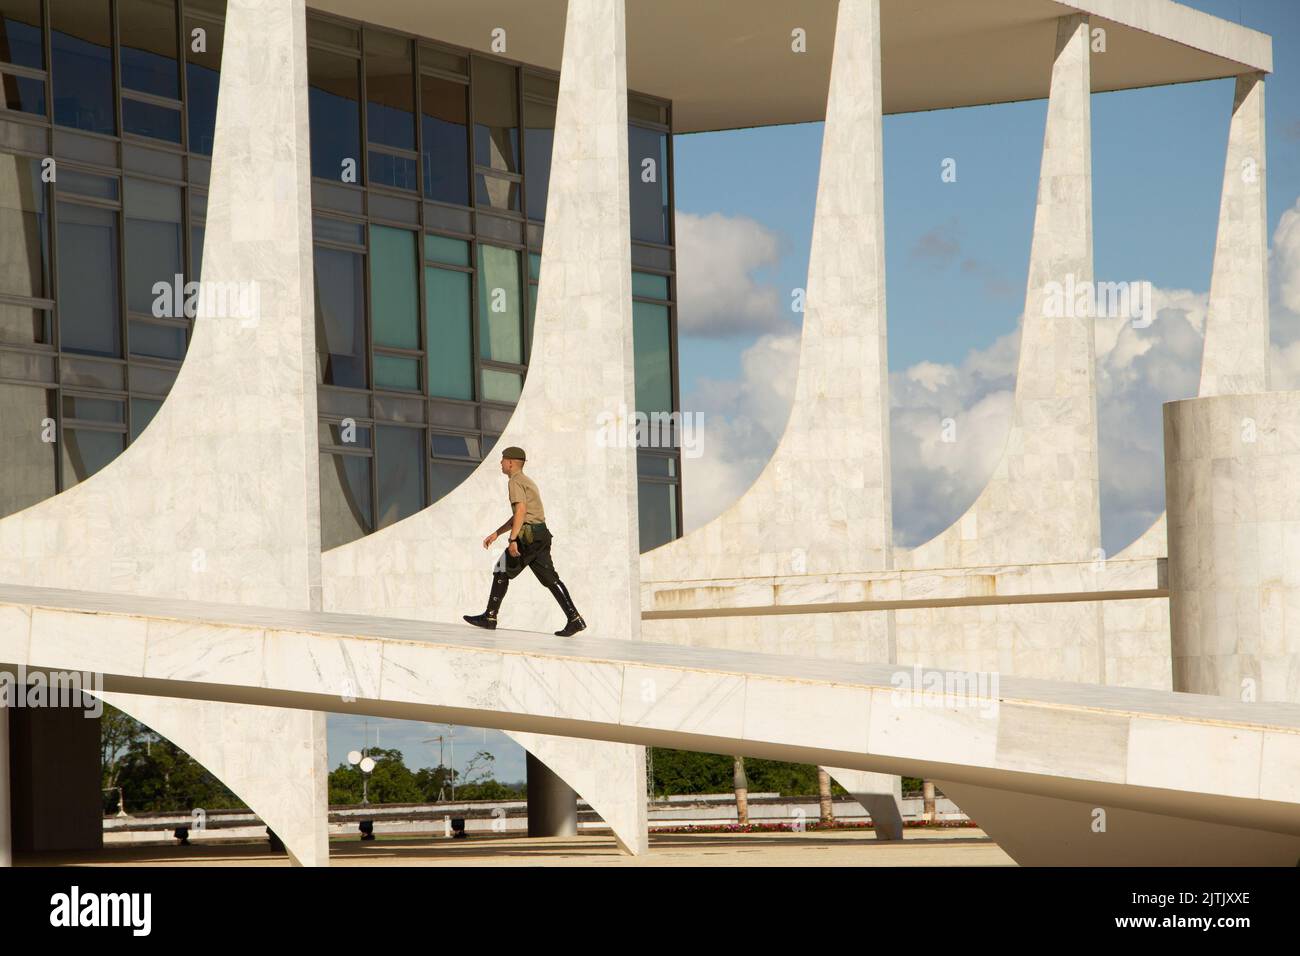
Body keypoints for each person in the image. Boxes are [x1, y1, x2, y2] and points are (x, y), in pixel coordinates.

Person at [463, 446, 587, 636]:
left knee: (501, 570)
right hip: (541, 535)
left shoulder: (514, 482)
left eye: (503, 459)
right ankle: (575, 619)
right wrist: (497, 533)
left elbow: (520, 512)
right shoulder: (526, 481)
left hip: (528, 537)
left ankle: (490, 616)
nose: (501, 463)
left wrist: (513, 540)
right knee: (551, 579)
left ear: (511, 463)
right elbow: (521, 514)